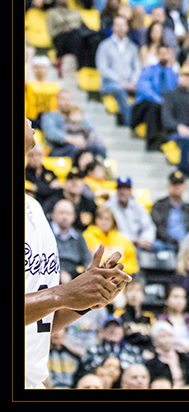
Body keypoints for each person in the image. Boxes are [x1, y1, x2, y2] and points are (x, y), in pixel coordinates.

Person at [25, 118, 131, 389]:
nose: (28, 119)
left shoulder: (35, 209)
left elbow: (42, 322)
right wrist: (64, 294)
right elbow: (55, 297)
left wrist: (84, 299)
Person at [95, 14, 142, 127]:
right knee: (120, 90)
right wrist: (121, 81)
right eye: (117, 25)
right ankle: (128, 124)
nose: (120, 28)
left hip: (130, 83)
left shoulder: (132, 47)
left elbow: (137, 67)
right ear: (113, 27)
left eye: (123, 25)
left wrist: (133, 81)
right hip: (110, 84)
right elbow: (102, 68)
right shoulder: (104, 46)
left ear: (127, 27)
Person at [130, 43, 179, 150]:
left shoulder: (172, 74)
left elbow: (173, 91)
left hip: (162, 105)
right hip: (144, 106)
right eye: (161, 54)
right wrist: (159, 100)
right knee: (154, 106)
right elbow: (144, 89)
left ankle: (168, 139)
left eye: (166, 54)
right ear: (157, 55)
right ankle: (152, 141)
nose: (163, 57)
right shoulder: (148, 70)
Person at [40, 88, 106, 159]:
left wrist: (96, 140)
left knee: (99, 147)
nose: (66, 103)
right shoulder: (49, 116)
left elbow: (88, 129)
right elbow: (51, 133)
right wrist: (71, 139)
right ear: (57, 101)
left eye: (68, 100)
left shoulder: (75, 115)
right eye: (63, 100)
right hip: (60, 148)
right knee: (77, 149)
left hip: (80, 147)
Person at [83, 205, 139, 277]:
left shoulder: (122, 239)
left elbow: (132, 263)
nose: (104, 222)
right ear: (95, 220)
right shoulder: (86, 237)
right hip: (95, 277)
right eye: (101, 219)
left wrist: (119, 271)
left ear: (113, 221)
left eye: (107, 219)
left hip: (119, 277)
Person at [150, 171, 189, 252]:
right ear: (169, 186)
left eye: (179, 184)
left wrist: (186, 241)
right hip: (166, 243)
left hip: (188, 244)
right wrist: (176, 242)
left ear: (184, 186)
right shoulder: (159, 206)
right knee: (157, 246)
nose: (177, 187)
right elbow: (159, 228)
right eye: (174, 184)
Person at [106, 177, 157, 253]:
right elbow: (111, 232)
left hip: (140, 244)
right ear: (116, 191)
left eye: (126, 189)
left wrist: (145, 239)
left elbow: (149, 227)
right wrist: (135, 239)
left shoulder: (138, 207)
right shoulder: (109, 207)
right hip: (119, 245)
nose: (122, 192)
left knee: (160, 247)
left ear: (130, 191)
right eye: (120, 189)